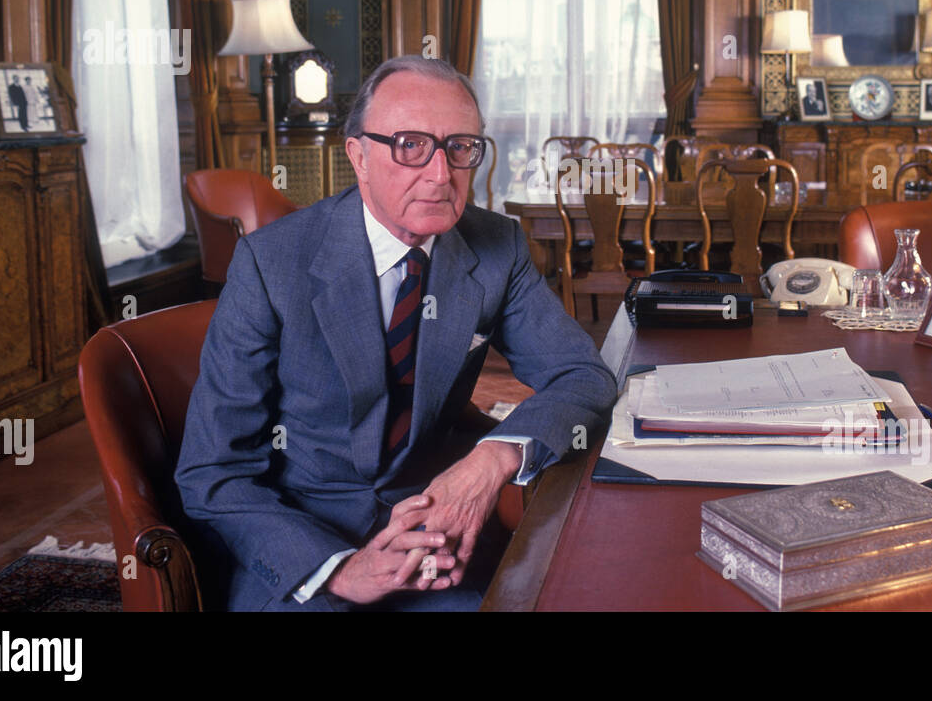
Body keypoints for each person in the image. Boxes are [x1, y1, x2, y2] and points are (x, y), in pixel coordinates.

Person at [175, 56, 617, 611]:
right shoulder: (272, 262)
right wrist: (342, 569)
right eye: (410, 145)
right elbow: (212, 472)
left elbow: (583, 376)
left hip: (430, 538)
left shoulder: (497, 245)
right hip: (302, 551)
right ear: (358, 155)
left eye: (460, 147)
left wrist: (490, 462)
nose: (440, 174)